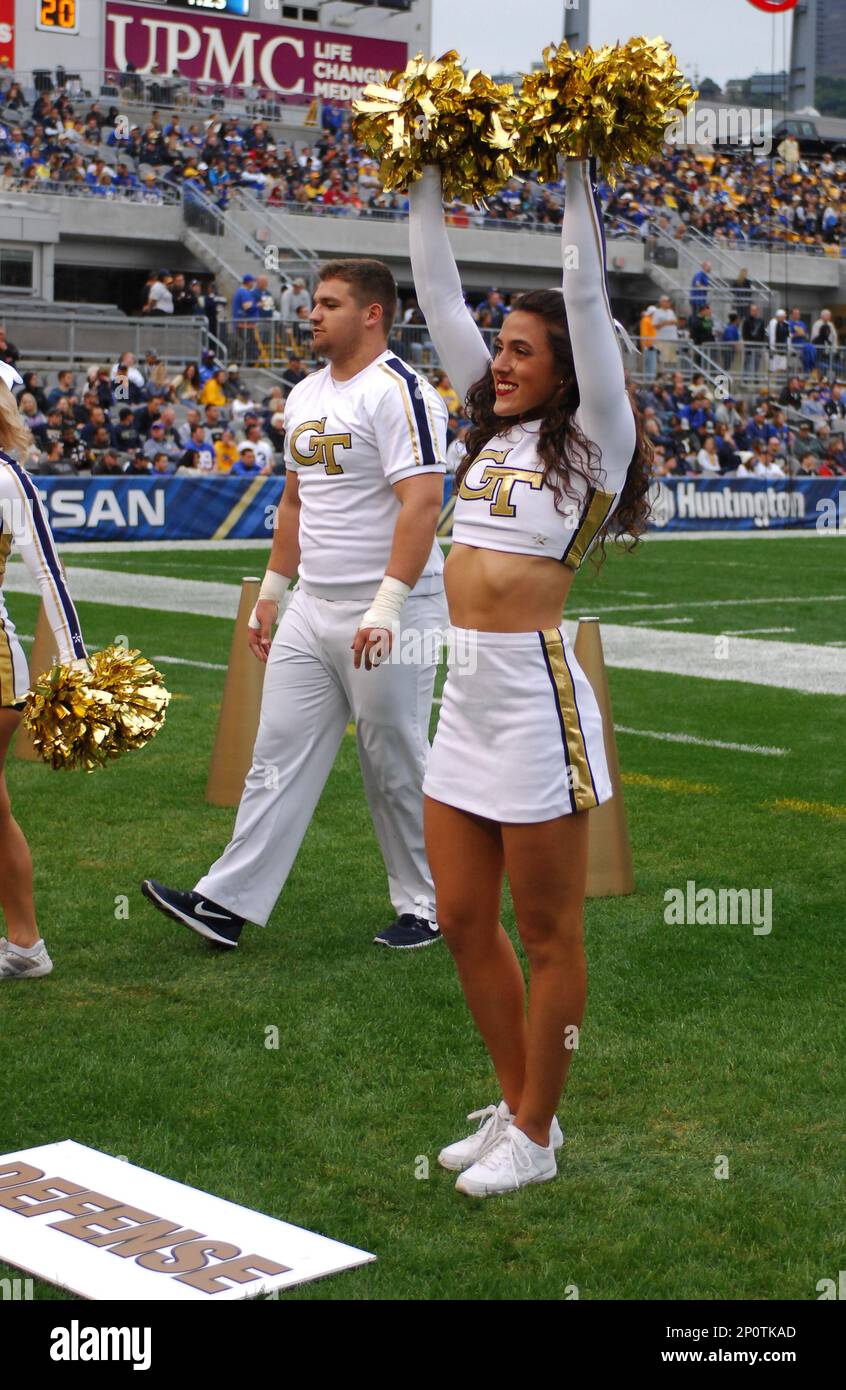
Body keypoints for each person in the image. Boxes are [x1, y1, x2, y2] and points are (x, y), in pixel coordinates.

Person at [407, 160, 649, 1197]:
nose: (499, 363)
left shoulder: (597, 441)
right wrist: (421, 167)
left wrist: (575, 167)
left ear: (567, 368)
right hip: (462, 695)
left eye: (520, 351)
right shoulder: (492, 428)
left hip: (538, 704)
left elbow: (588, 296)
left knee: (549, 930)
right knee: (462, 916)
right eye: (497, 348)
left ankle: (539, 1133)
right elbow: (435, 295)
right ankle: (514, 1107)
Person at [142, 257, 450, 952]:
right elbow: (294, 503)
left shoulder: (402, 391)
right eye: (314, 301)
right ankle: (227, 902)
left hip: (388, 608)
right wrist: (273, 593)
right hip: (314, 603)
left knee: (395, 758)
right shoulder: (306, 392)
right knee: (274, 753)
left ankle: (431, 904)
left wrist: (387, 605)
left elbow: (423, 502)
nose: (312, 313)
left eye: (329, 303)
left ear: (372, 313)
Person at [0, 361, 88, 980]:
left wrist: (77, 663)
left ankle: (27, 945)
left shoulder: (7, 481)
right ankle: (26, 946)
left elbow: (48, 577)